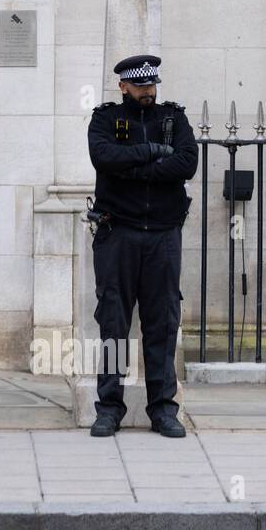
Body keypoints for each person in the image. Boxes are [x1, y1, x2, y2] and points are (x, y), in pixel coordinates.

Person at [86, 54, 198, 438]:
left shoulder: (174, 119)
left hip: (163, 234)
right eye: (139, 87)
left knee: (162, 323)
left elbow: (186, 164)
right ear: (123, 87)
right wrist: (152, 153)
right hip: (117, 233)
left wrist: (129, 170)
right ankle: (109, 408)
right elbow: (103, 157)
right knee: (114, 324)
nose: (147, 92)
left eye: (151, 86)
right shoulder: (105, 119)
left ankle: (164, 409)